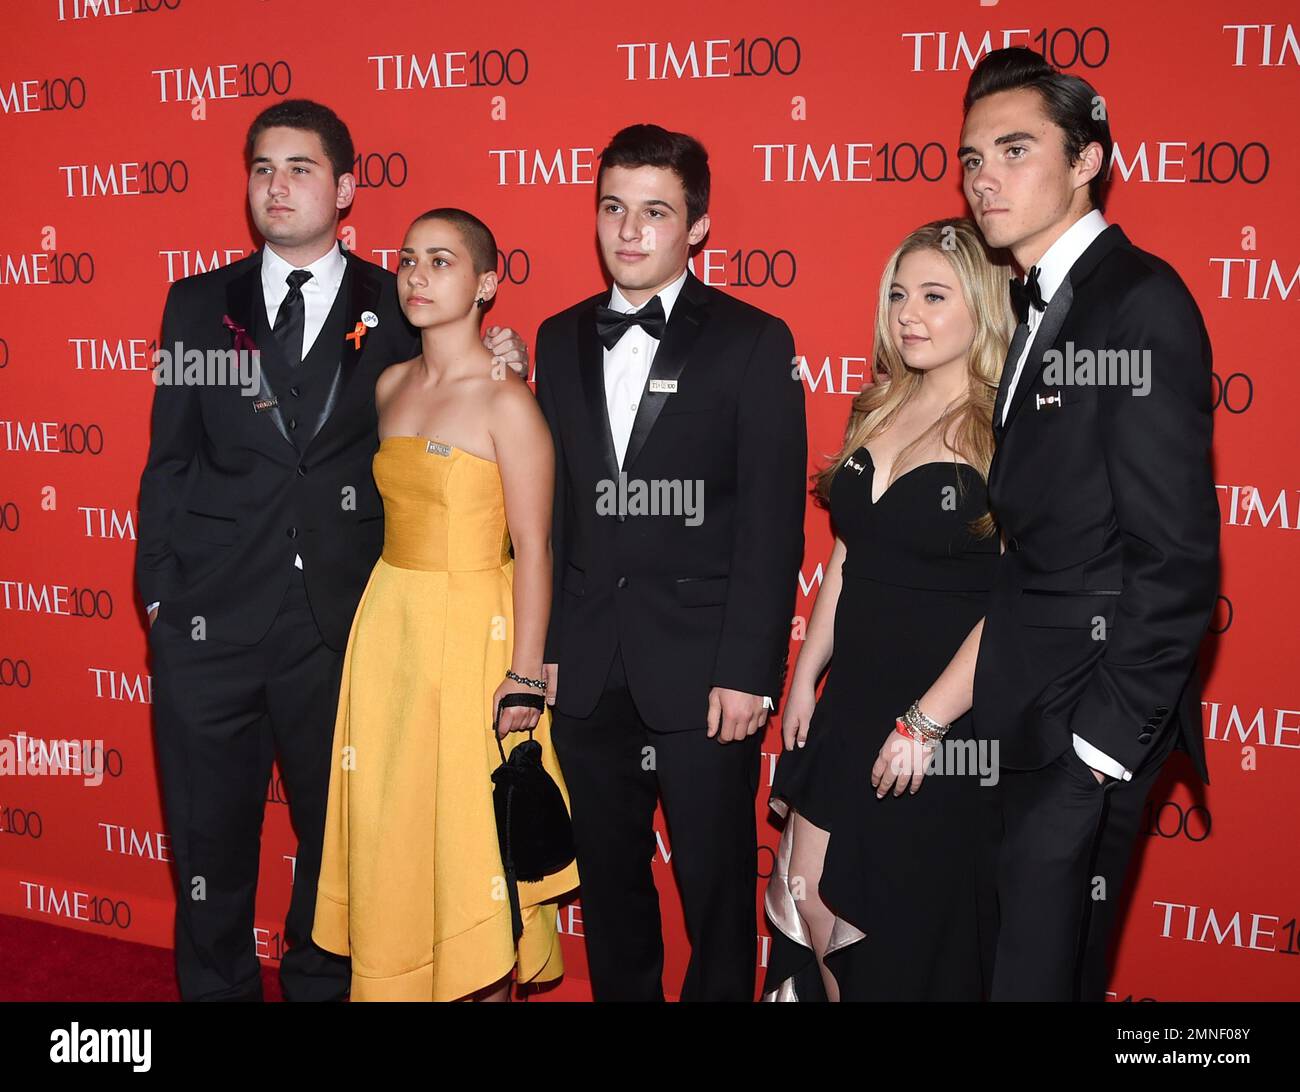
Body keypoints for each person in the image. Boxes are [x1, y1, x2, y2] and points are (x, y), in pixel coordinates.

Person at [136, 99, 528, 1002]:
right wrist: (160, 593)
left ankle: (321, 990)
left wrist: (502, 351)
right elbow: (170, 458)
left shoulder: (399, 303)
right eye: (264, 168)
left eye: (302, 168)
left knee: (341, 845)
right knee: (208, 847)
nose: (279, 185)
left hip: (347, 633)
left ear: (346, 188)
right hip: (208, 629)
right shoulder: (199, 304)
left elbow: (466, 391)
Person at [958, 47, 1220, 1001]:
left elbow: (1176, 556)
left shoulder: (1137, 302)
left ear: (1087, 161)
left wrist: (1097, 750)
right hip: (1023, 705)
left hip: (1084, 719)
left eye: (1015, 149)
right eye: (973, 156)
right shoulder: (1041, 305)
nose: (985, 175)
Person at [534, 123, 806, 1001]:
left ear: (696, 226)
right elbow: (552, 511)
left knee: (716, 893)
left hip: (704, 675)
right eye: (614, 207)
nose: (629, 230)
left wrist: (748, 672)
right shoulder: (557, 336)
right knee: (610, 891)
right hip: (584, 665)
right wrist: (541, 647)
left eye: (654, 212)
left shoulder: (753, 339)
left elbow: (772, 525)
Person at [311, 209, 578, 1001]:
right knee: (400, 832)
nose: (418, 277)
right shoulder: (390, 383)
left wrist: (524, 678)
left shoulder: (508, 402)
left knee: (471, 847)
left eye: (442, 261)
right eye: (407, 261)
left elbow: (534, 548)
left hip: (475, 639)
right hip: (391, 631)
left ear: (487, 283)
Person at [763, 219, 1009, 1001]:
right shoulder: (878, 407)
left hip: (938, 718)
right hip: (852, 707)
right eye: (900, 294)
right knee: (814, 914)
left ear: (983, 307)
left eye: (935, 296)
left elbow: (1018, 601)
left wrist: (927, 723)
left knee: (887, 940)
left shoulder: (1004, 429)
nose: (909, 313)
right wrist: (807, 677)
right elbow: (846, 556)